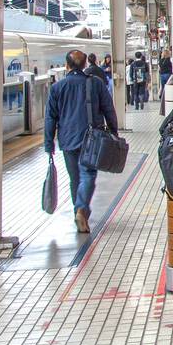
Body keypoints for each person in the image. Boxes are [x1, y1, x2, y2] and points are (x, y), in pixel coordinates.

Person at [44, 50, 119, 233]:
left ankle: (78, 210)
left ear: (67, 65)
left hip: (67, 139)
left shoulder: (57, 88)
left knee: (74, 178)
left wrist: (48, 143)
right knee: (88, 175)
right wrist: (114, 131)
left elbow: (50, 118)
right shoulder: (96, 84)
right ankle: (81, 209)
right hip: (91, 139)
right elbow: (109, 109)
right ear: (85, 65)